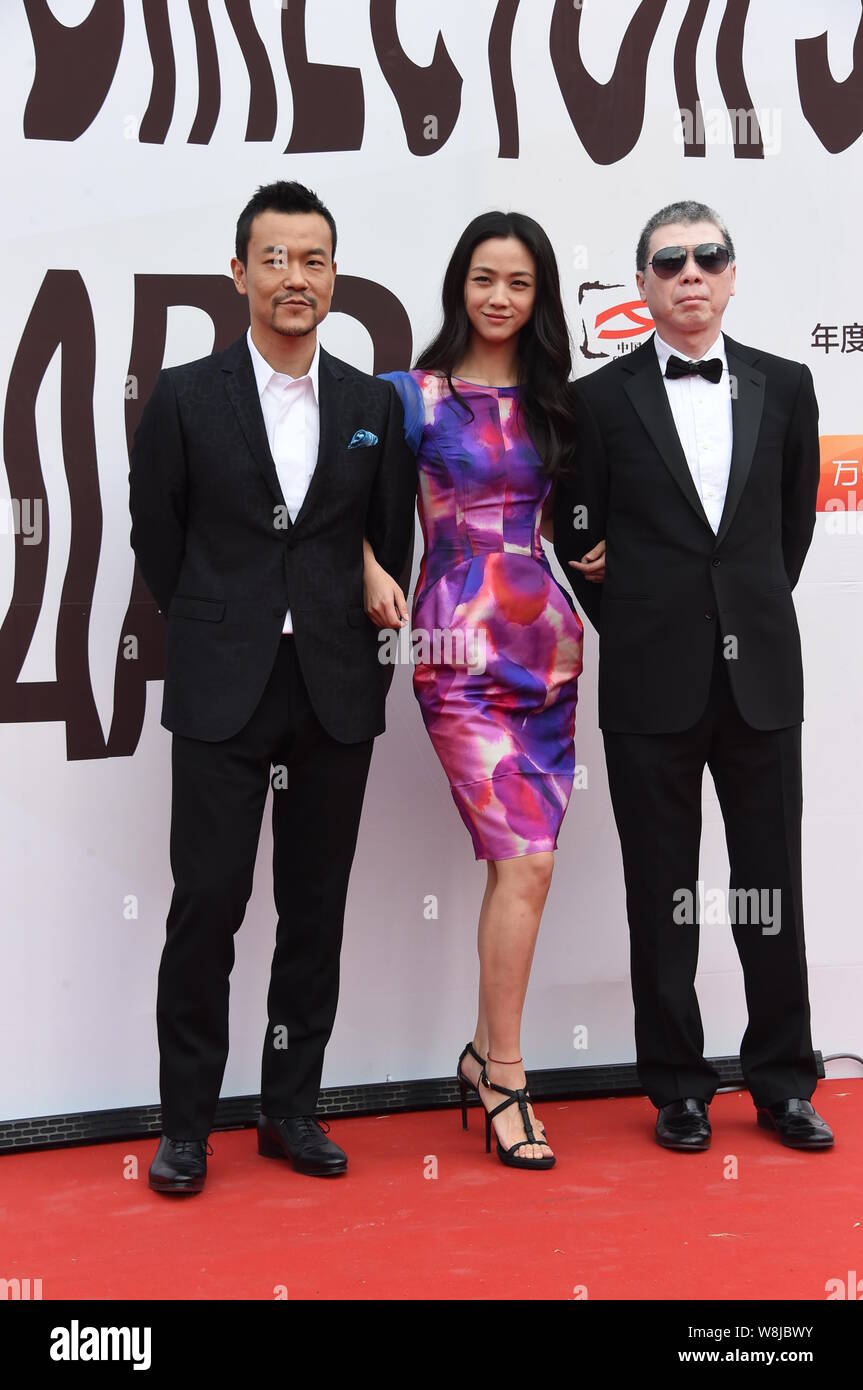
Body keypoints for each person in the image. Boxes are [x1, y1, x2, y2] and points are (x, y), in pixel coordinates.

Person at [129, 180, 416, 1192]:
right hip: (223, 686)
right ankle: (187, 1126)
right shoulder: (183, 397)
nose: (297, 278)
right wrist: (222, 616)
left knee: (314, 907)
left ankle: (291, 1107)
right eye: (277, 259)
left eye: (315, 260)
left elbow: (385, 535)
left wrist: (370, 578)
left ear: (334, 275)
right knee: (206, 904)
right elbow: (159, 541)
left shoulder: (373, 404)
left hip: (332, 685)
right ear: (240, 272)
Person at [555, 199, 833, 1152]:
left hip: (759, 677)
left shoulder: (786, 386)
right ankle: (676, 1085)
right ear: (640, 285)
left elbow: (784, 535)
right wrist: (641, 621)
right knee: (662, 889)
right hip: (649, 683)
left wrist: (736, 613)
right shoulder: (596, 401)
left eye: (706, 257)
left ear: (729, 273)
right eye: (668, 260)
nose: (689, 273)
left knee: (771, 887)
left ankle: (783, 1082)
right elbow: (575, 534)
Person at [364, 211, 604, 1169]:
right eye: (482, 278)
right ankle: (505, 1073)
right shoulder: (409, 397)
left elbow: (583, 516)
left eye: (518, 282)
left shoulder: (561, 407)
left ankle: (485, 1057)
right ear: (457, 285)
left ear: (539, 295)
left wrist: (603, 547)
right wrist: (363, 570)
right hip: (456, 648)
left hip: (545, 643)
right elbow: (344, 506)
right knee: (522, 858)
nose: (498, 297)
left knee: (530, 866)